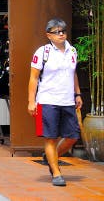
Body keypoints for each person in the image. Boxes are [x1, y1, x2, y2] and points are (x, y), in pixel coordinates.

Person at [27, 18, 82, 188]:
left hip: (67, 100)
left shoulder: (72, 51)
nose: (61, 35)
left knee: (73, 137)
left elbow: (73, 74)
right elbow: (33, 78)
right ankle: (56, 172)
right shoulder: (42, 52)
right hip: (48, 100)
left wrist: (77, 93)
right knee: (50, 138)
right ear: (48, 35)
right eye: (57, 32)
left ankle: (51, 158)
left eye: (63, 31)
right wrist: (31, 101)